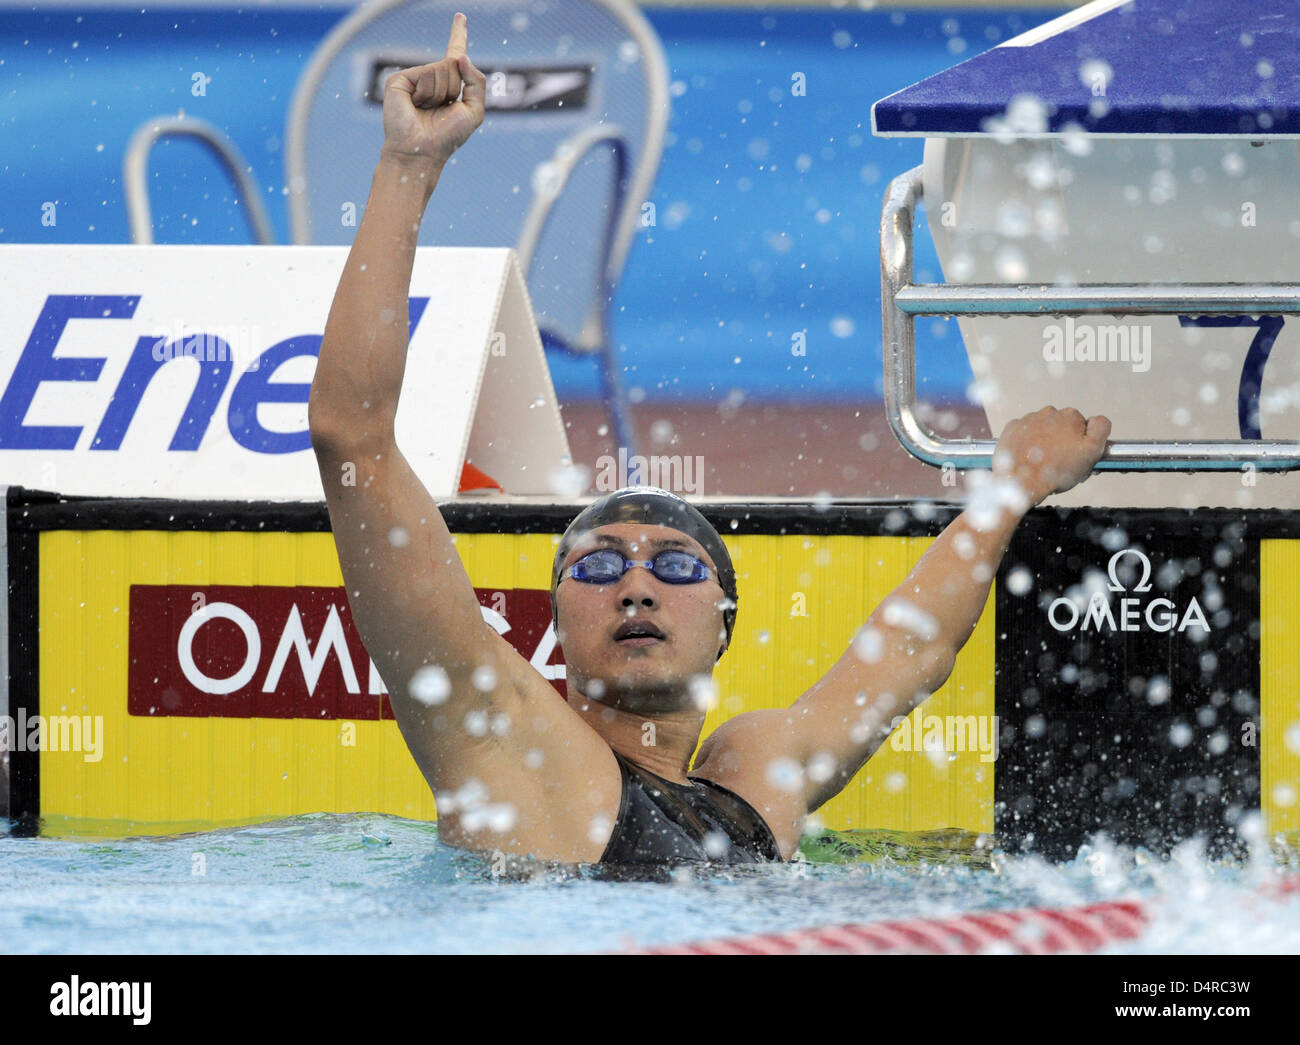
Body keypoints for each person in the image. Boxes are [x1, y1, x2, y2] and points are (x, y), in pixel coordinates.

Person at [307, 13, 1112, 866]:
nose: (639, 586)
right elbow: (349, 436)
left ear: (725, 622)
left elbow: (910, 655)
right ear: (556, 625)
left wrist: (1009, 489)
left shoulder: (757, 775)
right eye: (601, 565)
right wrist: (409, 165)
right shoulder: (514, 754)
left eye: (679, 565)